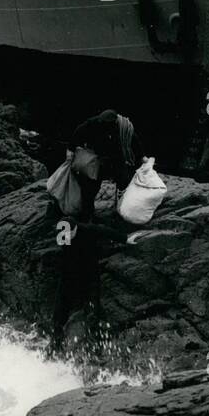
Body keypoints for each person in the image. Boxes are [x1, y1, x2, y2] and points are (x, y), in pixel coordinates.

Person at [49, 110, 144, 349]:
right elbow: (98, 230)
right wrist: (125, 238)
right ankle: (88, 340)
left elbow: (92, 230)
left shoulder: (71, 228)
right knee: (88, 296)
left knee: (64, 299)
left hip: (72, 265)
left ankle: (56, 340)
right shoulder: (81, 229)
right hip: (86, 263)